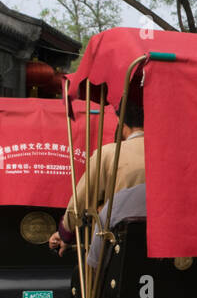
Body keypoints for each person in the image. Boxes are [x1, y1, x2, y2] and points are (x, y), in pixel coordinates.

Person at [50, 99, 145, 255]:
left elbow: (80, 201)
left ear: (120, 121)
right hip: (161, 240)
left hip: (117, 244)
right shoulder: (169, 154)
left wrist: (65, 233)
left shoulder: (108, 153)